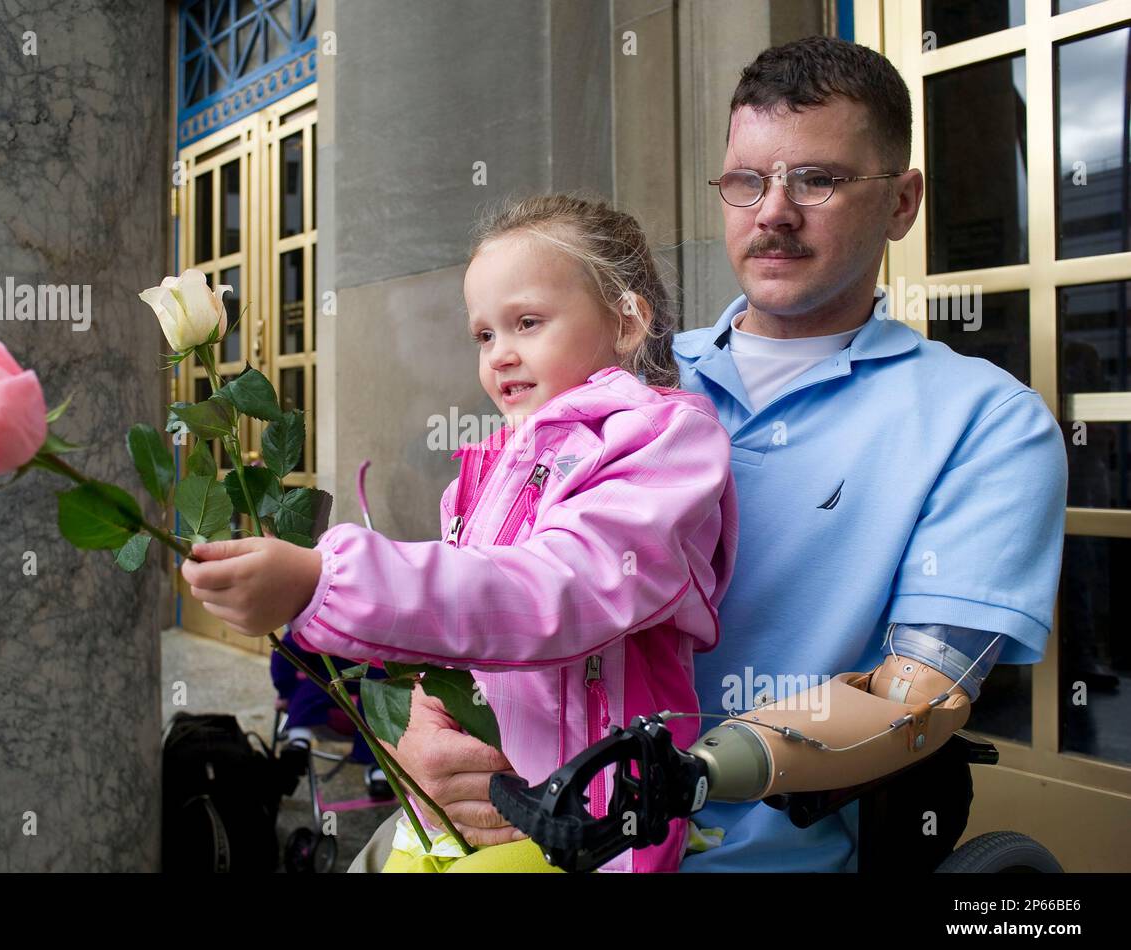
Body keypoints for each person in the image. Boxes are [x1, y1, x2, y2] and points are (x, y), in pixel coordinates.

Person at [337, 36, 1067, 874]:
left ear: (903, 203)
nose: (774, 212)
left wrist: (696, 771)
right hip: (512, 825)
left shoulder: (984, 421)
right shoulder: (597, 375)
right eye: (747, 182)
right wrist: (426, 731)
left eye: (818, 179)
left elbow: (924, 692)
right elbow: (494, 577)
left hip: (739, 855)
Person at [180, 194, 738, 872]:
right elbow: (460, 641)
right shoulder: (489, 466)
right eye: (484, 335)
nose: (500, 354)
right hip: (487, 813)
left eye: (527, 322)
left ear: (627, 320)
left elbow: (555, 591)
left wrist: (326, 581)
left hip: (598, 830)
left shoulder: (663, 442)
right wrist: (420, 723)